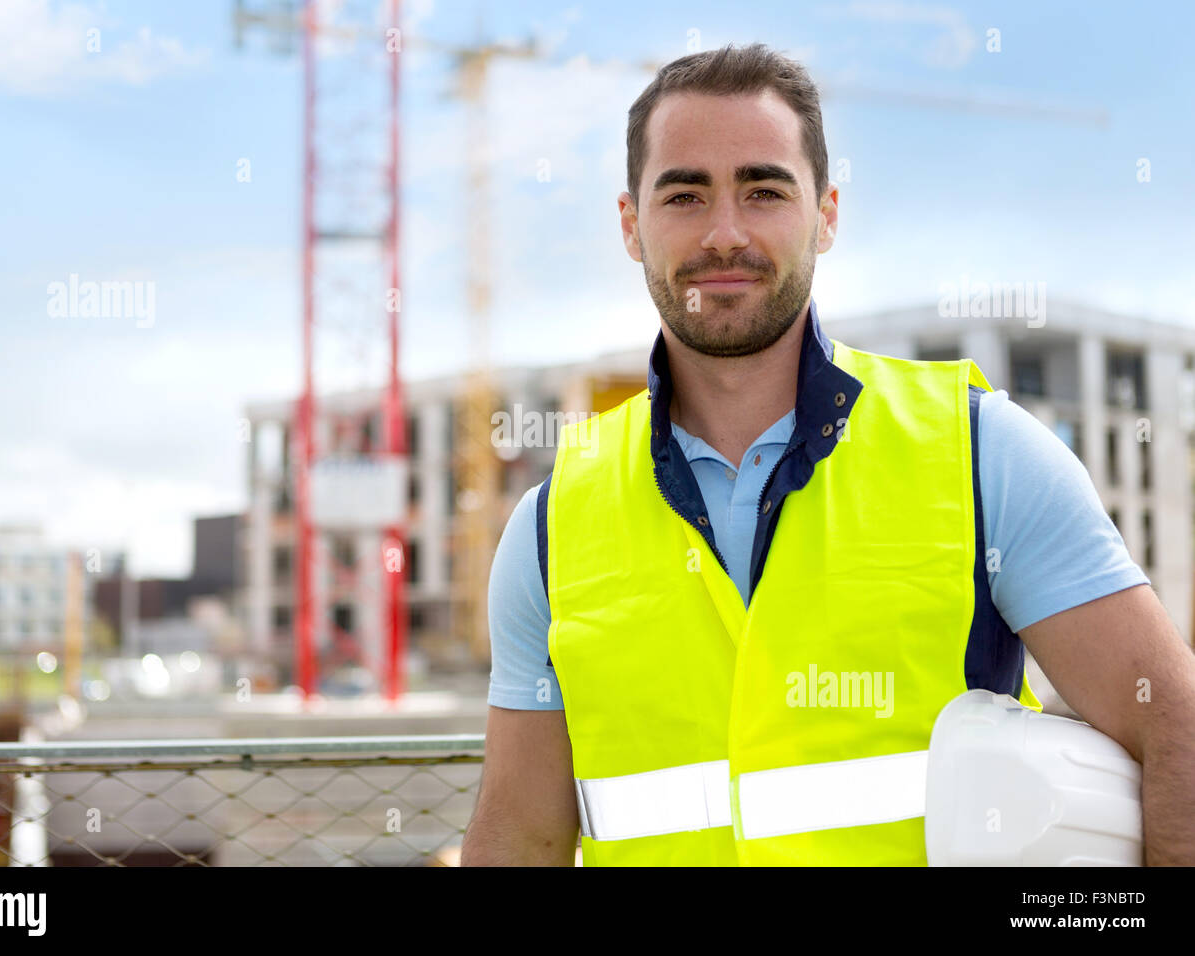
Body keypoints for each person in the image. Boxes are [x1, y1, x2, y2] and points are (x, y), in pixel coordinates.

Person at [460, 43, 1195, 866]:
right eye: (685, 195)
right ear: (631, 224)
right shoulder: (550, 528)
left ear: (827, 213)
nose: (725, 232)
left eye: (764, 189)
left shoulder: (984, 455)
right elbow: (521, 835)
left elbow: (1176, 728)